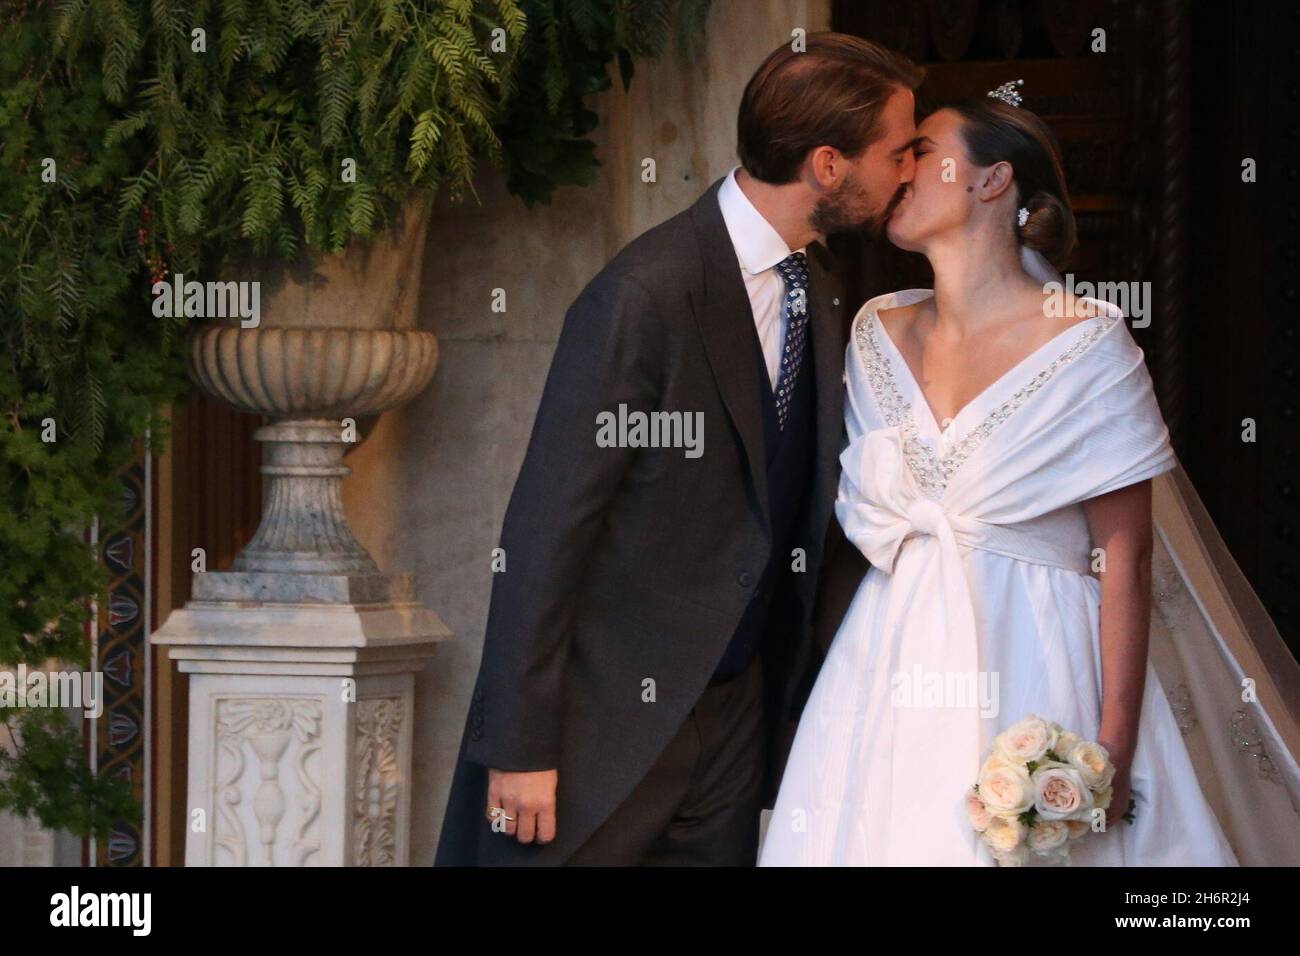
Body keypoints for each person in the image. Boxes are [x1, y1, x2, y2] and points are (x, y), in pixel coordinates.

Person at [759, 88, 1300, 866]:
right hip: (883, 670)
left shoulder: (1089, 342)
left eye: (925, 150)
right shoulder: (874, 329)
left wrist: (1108, 750)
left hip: (1039, 659)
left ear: (991, 181)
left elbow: (1127, 560)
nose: (903, 168)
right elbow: (855, 542)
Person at [434, 33, 923, 866]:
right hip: (602, 730)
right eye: (900, 150)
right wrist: (518, 747)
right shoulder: (643, 295)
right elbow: (544, 532)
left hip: (733, 726)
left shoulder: (824, 293)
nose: (911, 169)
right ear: (829, 165)